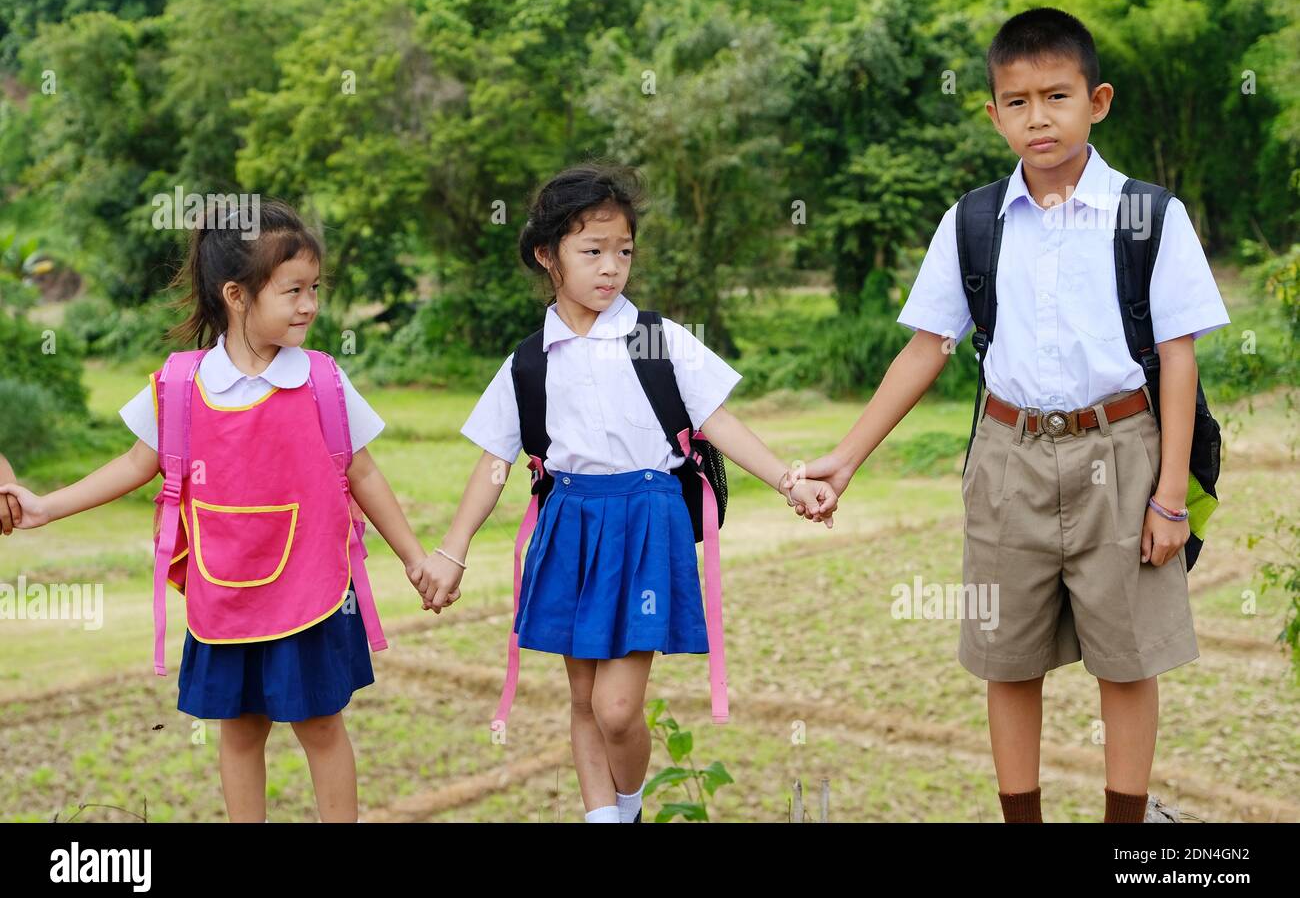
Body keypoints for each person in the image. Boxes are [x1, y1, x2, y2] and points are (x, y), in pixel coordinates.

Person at [785, 8, 1229, 823]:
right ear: (994, 114)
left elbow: (1179, 359)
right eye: (1016, 101)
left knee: (1127, 664)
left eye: (1056, 96)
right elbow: (927, 348)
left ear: (1096, 101)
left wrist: (1171, 496)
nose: (1038, 117)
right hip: (1007, 455)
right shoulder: (974, 222)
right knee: (1007, 657)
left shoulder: (1149, 215)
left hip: (1124, 455)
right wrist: (843, 460)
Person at [0, 199, 460, 822]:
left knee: (321, 726)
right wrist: (44, 508)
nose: (310, 305)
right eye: (293, 290)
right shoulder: (182, 385)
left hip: (312, 589)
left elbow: (363, 470)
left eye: (314, 288)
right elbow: (138, 464)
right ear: (237, 295)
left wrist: (415, 558)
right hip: (226, 590)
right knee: (241, 731)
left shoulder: (324, 381)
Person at [423, 162, 836, 823]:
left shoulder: (655, 337)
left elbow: (718, 420)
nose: (611, 267)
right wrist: (453, 547)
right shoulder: (531, 360)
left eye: (623, 251)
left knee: (618, 709)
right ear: (545, 255)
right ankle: (602, 816)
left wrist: (791, 481)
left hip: (646, 521)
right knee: (584, 698)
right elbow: (496, 461)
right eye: (592, 251)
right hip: (570, 524)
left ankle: (630, 805)